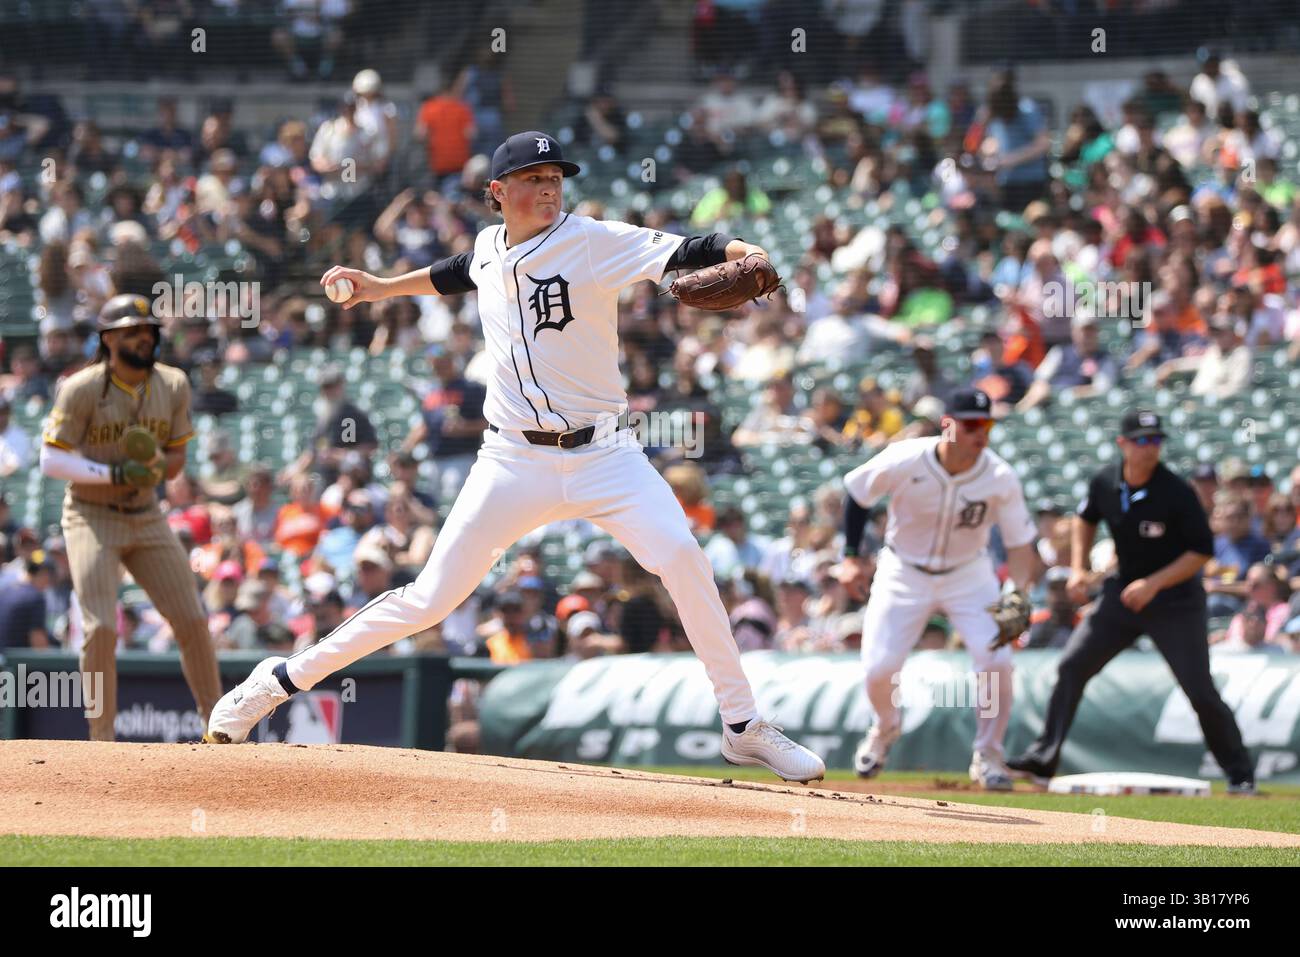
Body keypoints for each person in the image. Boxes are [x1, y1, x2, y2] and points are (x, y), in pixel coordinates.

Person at [205, 130, 825, 783]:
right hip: (512, 462)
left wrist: (744, 250)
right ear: (498, 193)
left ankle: (742, 724)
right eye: (534, 177)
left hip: (605, 455)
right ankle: (274, 681)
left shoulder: (591, 239)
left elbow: (686, 247)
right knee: (429, 598)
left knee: (682, 556)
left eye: (555, 176)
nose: (549, 186)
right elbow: (458, 273)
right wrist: (379, 289)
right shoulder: (488, 248)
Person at [1006, 410, 1256, 793]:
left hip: (1176, 601)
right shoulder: (1106, 481)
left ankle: (1240, 773)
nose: (1150, 447)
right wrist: (1078, 567)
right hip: (1121, 596)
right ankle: (1043, 759)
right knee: (1072, 666)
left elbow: (1201, 551)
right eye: (1141, 440)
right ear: (1122, 443)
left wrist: (1153, 584)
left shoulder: (1176, 491)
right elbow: (1086, 518)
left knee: (1198, 688)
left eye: (1156, 439)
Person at [38, 294, 222, 740]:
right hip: (91, 513)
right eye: (132, 330)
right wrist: (115, 471)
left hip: (145, 513)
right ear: (108, 339)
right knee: (100, 627)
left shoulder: (174, 383)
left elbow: (176, 461)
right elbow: (50, 460)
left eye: (149, 330)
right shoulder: (81, 388)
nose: (144, 336)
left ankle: (220, 728)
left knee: (193, 620)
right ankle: (102, 741)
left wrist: (159, 467)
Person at [835, 388, 1039, 790]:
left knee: (996, 662)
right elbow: (857, 493)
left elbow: (1019, 546)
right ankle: (885, 727)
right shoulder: (908, 456)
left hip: (969, 574)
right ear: (948, 425)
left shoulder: (999, 476)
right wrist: (850, 555)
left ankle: (989, 754)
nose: (981, 433)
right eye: (971, 424)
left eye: (986, 424)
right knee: (879, 669)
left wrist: (1018, 593)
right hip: (903, 570)